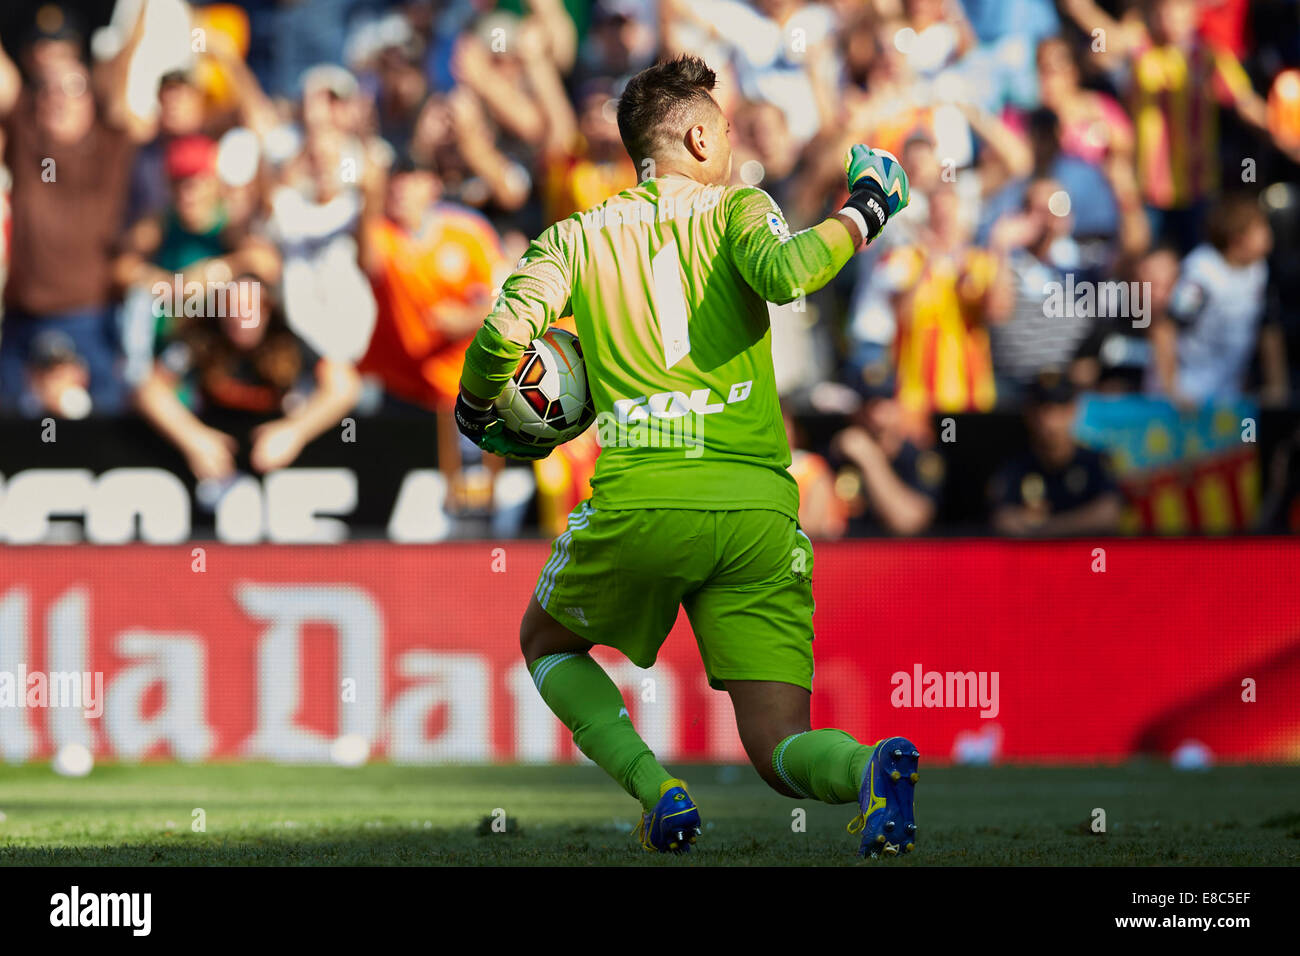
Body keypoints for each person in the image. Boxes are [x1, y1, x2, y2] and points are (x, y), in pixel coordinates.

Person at [453, 55, 920, 857]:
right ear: (699, 136)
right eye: (729, 132)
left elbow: (501, 336)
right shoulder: (738, 206)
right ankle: (869, 768)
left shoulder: (574, 237)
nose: (732, 146)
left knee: (545, 644)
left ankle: (657, 790)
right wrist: (869, 207)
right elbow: (789, 272)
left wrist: (475, 407)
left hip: (644, 500)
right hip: (760, 513)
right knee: (779, 747)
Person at [1146, 195, 1286, 406]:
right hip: (1190, 394)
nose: (1268, 234)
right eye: (1260, 228)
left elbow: (1268, 328)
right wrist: (1171, 390)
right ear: (1238, 238)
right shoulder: (1202, 277)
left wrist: (1276, 386)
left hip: (1229, 393)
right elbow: (1165, 327)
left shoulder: (1259, 270)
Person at [989, 370, 1123, 537]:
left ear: (1073, 411)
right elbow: (1004, 519)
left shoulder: (1095, 461)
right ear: (1029, 414)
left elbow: (1108, 515)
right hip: (1034, 559)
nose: (1050, 422)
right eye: (1043, 411)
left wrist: (1047, 530)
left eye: (1060, 411)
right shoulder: (1015, 466)